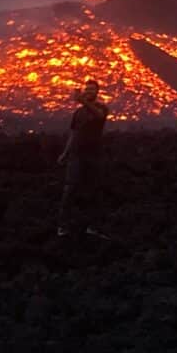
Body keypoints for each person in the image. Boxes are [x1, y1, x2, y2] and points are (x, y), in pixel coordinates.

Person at [57, 79, 109, 237]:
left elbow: (99, 116)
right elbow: (73, 134)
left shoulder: (102, 108)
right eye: (87, 89)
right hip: (76, 155)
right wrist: (65, 153)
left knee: (94, 190)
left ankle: (93, 226)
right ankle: (63, 225)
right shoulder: (78, 113)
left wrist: (83, 101)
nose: (89, 92)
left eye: (92, 89)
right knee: (70, 189)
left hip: (94, 155)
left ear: (97, 92)